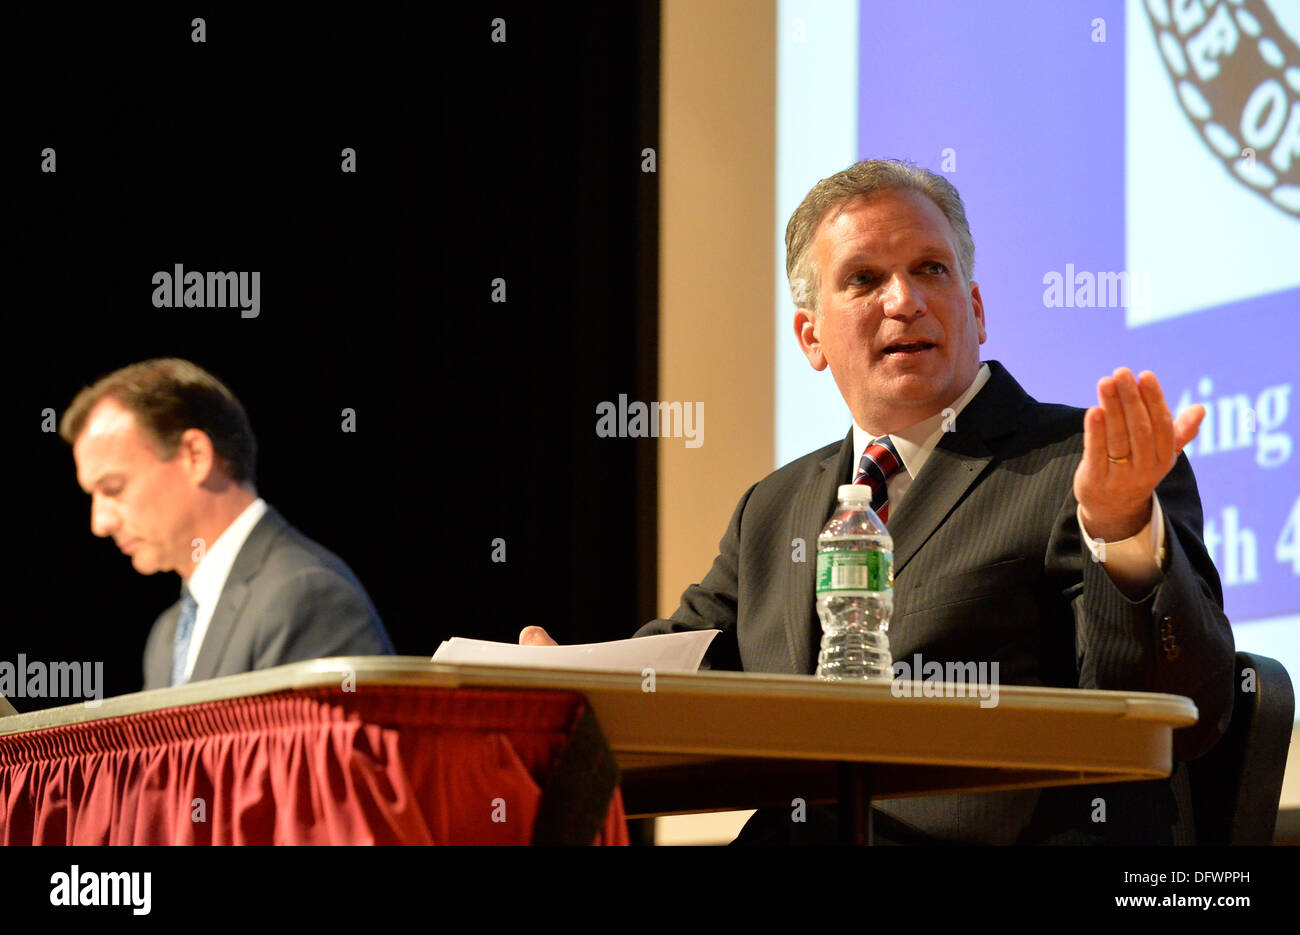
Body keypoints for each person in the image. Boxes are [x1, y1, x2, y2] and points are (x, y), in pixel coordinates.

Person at [522, 159, 1235, 844]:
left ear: (976, 308)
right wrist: (568, 683)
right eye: (865, 279)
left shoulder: (1093, 468)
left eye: (931, 269)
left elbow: (1181, 713)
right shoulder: (773, 510)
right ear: (811, 336)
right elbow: (687, 664)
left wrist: (1119, 529)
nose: (904, 299)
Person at [61, 358, 394, 691]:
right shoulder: (167, 635)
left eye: (113, 488)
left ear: (195, 455)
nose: (99, 523)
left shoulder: (305, 595)